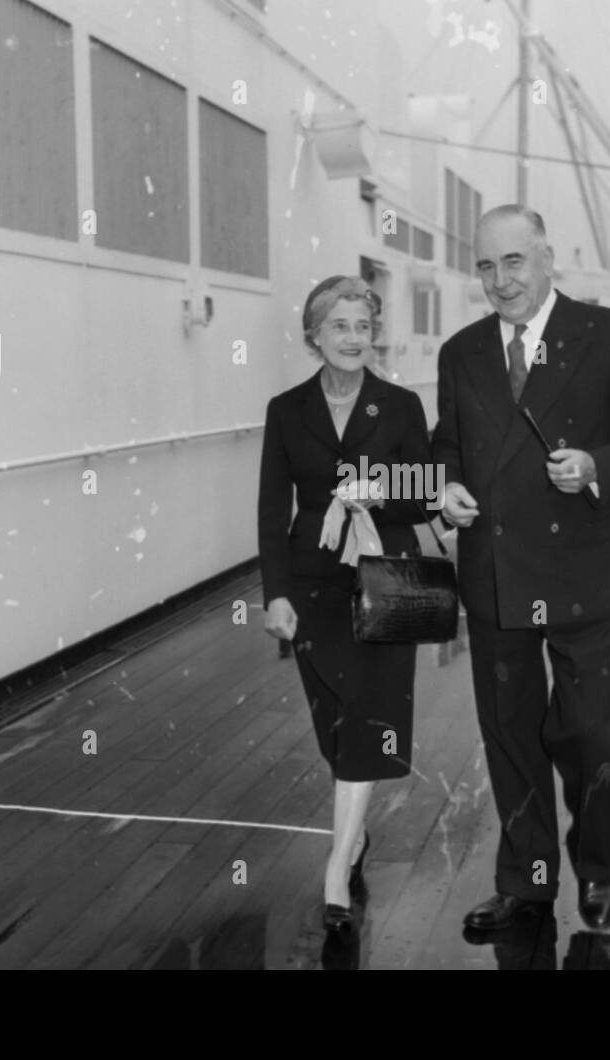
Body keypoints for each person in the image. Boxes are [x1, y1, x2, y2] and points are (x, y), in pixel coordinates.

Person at [431, 205, 610, 933]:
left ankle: (596, 868)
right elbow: (447, 441)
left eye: (513, 261)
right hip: (496, 575)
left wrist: (597, 466)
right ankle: (527, 880)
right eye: (485, 265)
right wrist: (445, 489)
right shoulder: (462, 352)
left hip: (583, 573)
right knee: (509, 736)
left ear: (547, 260)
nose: (499, 279)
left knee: (598, 736)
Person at [257, 276, 434, 932]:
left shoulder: (401, 405)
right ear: (315, 336)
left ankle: (338, 865)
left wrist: (377, 488)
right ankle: (353, 829)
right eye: (340, 326)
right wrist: (274, 592)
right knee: (333, 717)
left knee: (366, 711)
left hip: (384, 575)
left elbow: (425, 494)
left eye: (363, 325)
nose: (355, 338)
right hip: (312, 582)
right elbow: (274, 509)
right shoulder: (286, 410)